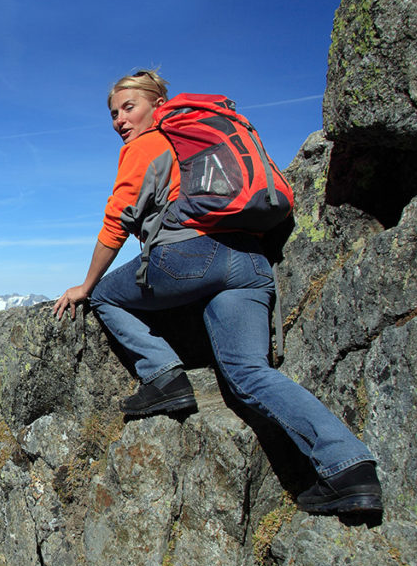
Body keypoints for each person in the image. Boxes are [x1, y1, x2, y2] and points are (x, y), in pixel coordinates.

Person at [51, 69, 382, 516]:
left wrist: (85, 285)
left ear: (155, 102)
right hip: (248, 260)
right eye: (113, 113)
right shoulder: (199, 143)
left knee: (107, 296)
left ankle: (164, 376)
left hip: (189, 255)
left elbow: (118, 220)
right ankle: (350, 468)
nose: (119, 121)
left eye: (129, 107)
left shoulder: (146, 145)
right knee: (250, 374)